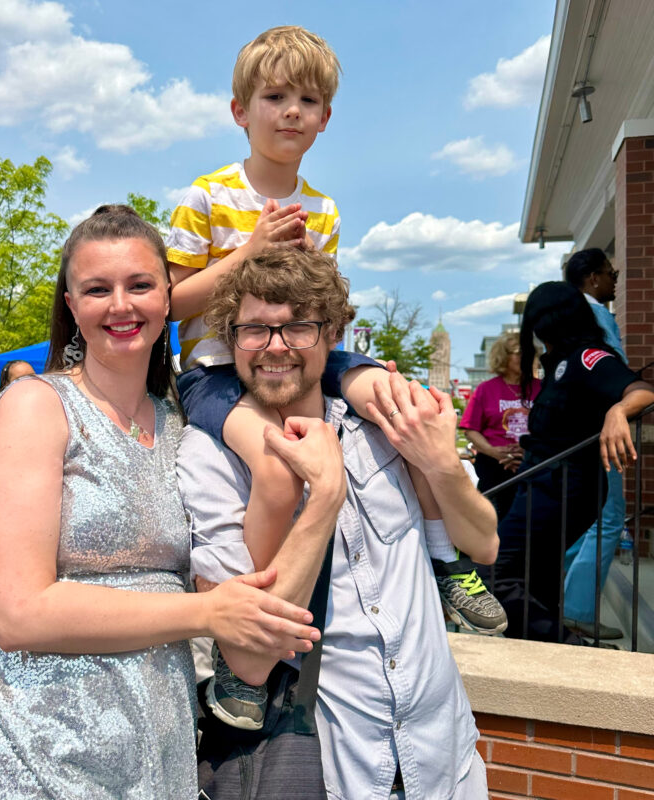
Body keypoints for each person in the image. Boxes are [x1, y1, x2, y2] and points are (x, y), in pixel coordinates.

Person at [167, 24, 501, 728]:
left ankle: (448, 562)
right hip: (216, 369)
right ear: (240, 111)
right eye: (275, 97)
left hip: (299, 354)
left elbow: (315, 302)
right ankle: (245, 641)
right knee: (275, 468)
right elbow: (169, 301)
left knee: (401, 405)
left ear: (325, 118)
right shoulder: (205, 195)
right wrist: (250, 250)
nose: (292, 111)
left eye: (308, 100)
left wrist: (345, 365)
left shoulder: (324, 209)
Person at [0, 205, 320, 799]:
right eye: (97, 289)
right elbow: (16, 614)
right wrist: (207, 613)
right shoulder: (36, 406)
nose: (121, 305)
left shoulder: (178, 422)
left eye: (140, 285)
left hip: (154, 735)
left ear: (168, 298)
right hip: (32, 738)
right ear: (71, 306)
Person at [179, 248, 499, 799]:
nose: (275, 346)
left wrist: (442, 464)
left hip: (448, 765)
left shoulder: (382, 424)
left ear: (333, 335)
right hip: (336, 772)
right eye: (255, 329)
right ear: (231, 339)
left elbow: (485, 543)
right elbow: (249, 658)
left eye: (298, 327)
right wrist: (325, 493)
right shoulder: (211, 457)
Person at [488, 281, 654, 642]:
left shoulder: (586, 357)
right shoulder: (559, 364)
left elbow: (642, 391)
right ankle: (550, 661)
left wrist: (617, 412)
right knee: (537, 581)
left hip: (562, 487)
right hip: (543, 482)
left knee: (495, 575)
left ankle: (570, 646)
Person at [562, 249, 627, 638]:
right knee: (609, 516)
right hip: (601, 429)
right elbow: (611, 373)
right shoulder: (596, 316)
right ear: (592, 278)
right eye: (610, 273)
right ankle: (577, 608)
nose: (615, 281)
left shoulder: (567, 315)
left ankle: (560, 599)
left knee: (587, 518)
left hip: (576, 430)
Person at [459, 332, 541, 520]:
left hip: (533, 462)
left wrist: (529, 451)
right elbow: (470, 430)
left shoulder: (542, 388)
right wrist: (495, 452)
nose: (525, 357)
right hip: (493, 464)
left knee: (529, 522)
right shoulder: (486, 389)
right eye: (518, 352)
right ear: (503, 356)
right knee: (490, 521)